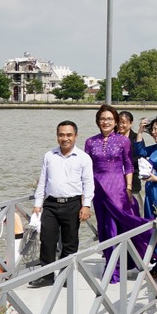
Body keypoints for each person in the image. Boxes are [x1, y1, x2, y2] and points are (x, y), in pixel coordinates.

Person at [84, 105, 151, 284]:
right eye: (102, 119)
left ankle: (117, 268)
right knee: (105, 228)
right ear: (98, 121)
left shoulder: (123, 141)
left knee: (118, 225)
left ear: (115, 122)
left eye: (109, 119)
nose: (106, 122)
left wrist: (129, 187)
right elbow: (86, 168)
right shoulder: (90, 142)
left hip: (118, 188)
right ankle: (111, 262)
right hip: (98, 188)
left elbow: (128, 165)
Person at [30, 121, 95, 288]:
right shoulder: (49, 155)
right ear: (57, 136)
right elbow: (42, 181)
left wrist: (86, 205)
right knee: (47, 239)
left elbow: (88, 183)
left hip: (72, 203)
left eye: (69, 135)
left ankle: (65, 275)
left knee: (70, 242)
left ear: (75, 136)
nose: (65, 138)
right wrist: (38, 203)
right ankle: (47, 275)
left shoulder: (83, 158)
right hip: (51, 203)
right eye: (61, 135)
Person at [116, 110, 142, 206]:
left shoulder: (136, 138)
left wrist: (124, 162)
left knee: (135, 208)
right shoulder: (113, 138)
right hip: (116, 180)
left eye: (123, 122)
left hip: (133, 180)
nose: (120, 125)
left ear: (130, 124)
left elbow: (139, 159)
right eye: (118, 122)